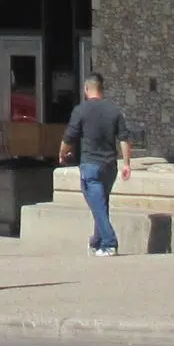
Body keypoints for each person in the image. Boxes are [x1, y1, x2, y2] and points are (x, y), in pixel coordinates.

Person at [58, 73, 133, 255]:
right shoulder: (114, 111)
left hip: (90, 165)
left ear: (86, 89)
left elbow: (69, 138)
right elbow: (124, 139)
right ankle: (97, 241)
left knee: (97, 205)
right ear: (102, 89)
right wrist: (127, 164)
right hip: (110, 166)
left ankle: (109, 243)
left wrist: (61, 154)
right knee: (101, 203)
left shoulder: (80, 110)